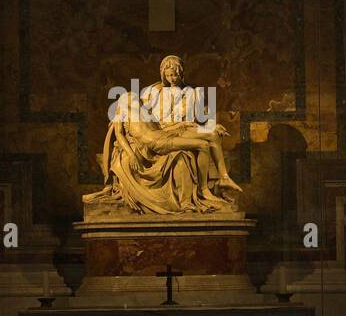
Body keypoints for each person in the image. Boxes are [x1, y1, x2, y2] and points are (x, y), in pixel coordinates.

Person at [85, 56, 241, 214]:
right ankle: (201, 190)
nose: (172, 79)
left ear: (181, 73)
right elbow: (136, 119)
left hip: (185, 128)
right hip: (163, 132)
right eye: (168, 75)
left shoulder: (193, 93)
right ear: (163, 75)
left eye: (175, 75)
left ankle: (220, 181)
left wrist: (213, 125)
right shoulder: (152, 93)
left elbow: (203, 118)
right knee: (196, 148)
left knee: (213, 134)